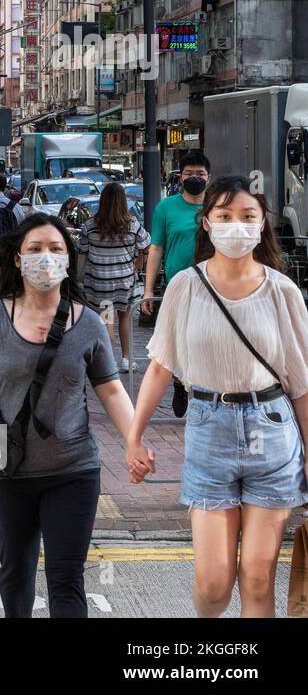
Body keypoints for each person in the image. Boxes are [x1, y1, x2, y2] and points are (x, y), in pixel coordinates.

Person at [126, 175, 308, 618]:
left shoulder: (283, 291)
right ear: (206, 223)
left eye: (248, 217)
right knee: (212, 584)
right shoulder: (185, 286)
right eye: (224, 216)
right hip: (209, 430)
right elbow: (159, 366)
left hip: (273, 431)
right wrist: (133, 437)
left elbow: (301, 385)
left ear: (263, 224)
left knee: (259, 579)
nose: (237, 226)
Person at [0, 213, 138, 618]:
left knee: (66, 577)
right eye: (35, 249)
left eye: (56, 250)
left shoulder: (89, 322)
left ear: (69, 261)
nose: (45, 258)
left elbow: (110, 390)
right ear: (17, 260)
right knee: (15, 572)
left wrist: (135, 440)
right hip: (10, 470)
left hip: (74, 470)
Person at [140, 150, 209, 415]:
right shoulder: (166, 207)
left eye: (200, 174)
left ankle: (201, 388)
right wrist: (148, 290)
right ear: (180, 177)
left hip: (212, 286)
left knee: (204, 340)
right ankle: (180, 384)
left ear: (208, 177)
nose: (195, 178)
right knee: (179, 341)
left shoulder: (216, 206)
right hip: (177, 285)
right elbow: (156, 248)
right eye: (190, 174)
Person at [74, 181, 151, 372]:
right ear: (122, 202)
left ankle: (108, 360)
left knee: (106, 319)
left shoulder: (90, 226)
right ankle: (126, 359)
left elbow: (82, 252)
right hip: (124, 280)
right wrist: (137, 260)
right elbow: (146, 245)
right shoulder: (132, 224)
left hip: (99, 281)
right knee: (125, 319)